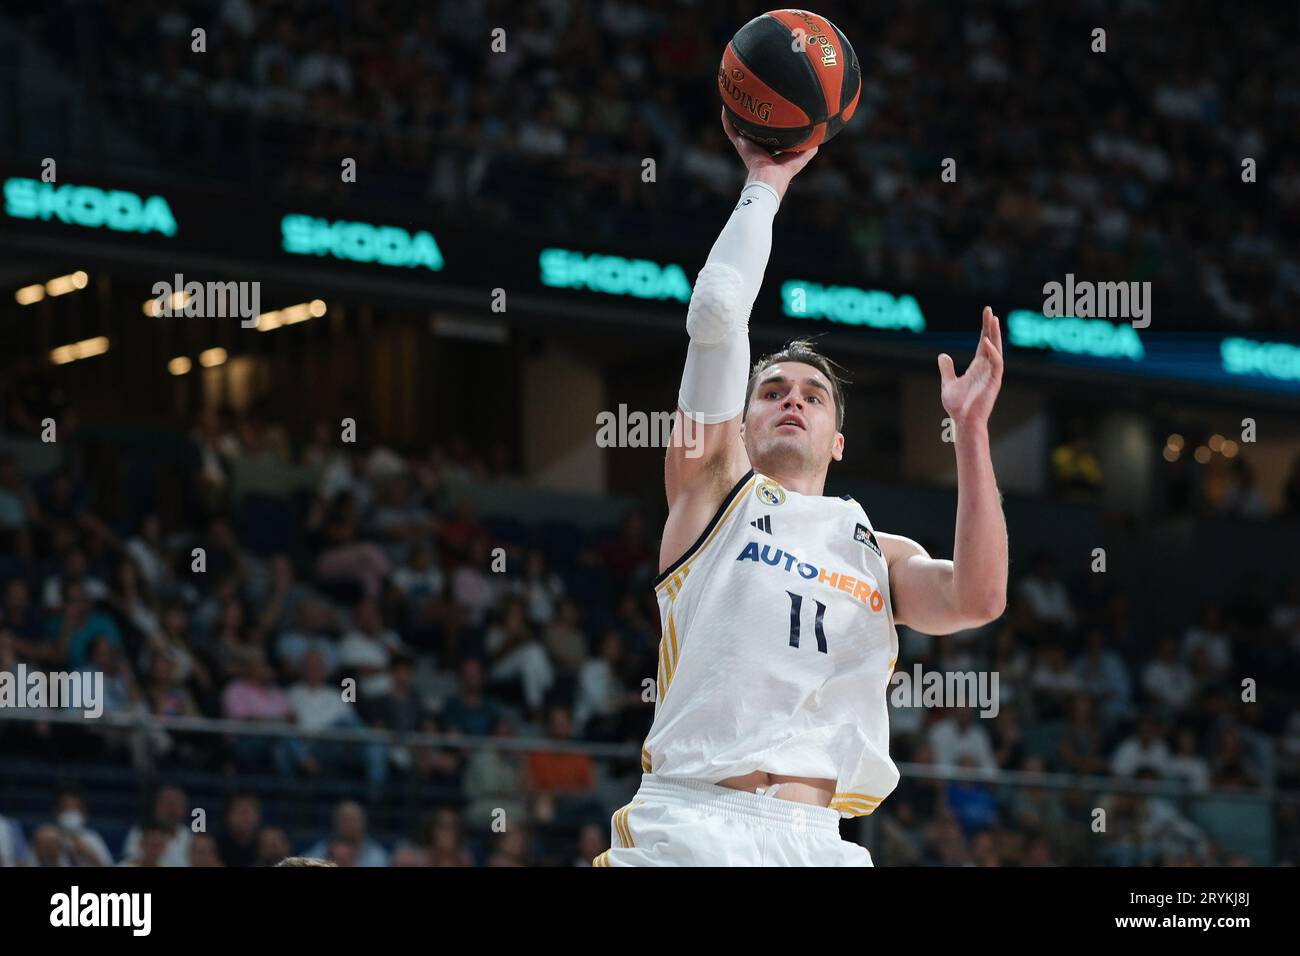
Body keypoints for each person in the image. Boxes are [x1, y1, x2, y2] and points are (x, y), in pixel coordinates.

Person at [596, 112, 1008, 867]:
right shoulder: (711, 492)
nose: (793, 399)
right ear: (743, 427)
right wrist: (767, 182)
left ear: (837, 440)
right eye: (773, 390)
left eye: (814, 395)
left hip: (819, 844)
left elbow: (979, 598)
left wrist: (972, 435)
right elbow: (718, 315)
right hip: (693, 825)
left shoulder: (878, 551)